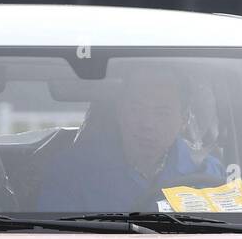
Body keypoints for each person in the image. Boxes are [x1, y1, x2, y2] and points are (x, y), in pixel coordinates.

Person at [37, 66, 223, 213]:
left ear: (183, 119)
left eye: (162, 112)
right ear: (120, 112)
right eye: (136, 109)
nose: (148, 124)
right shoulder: (73, 172)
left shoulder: (207, 173)